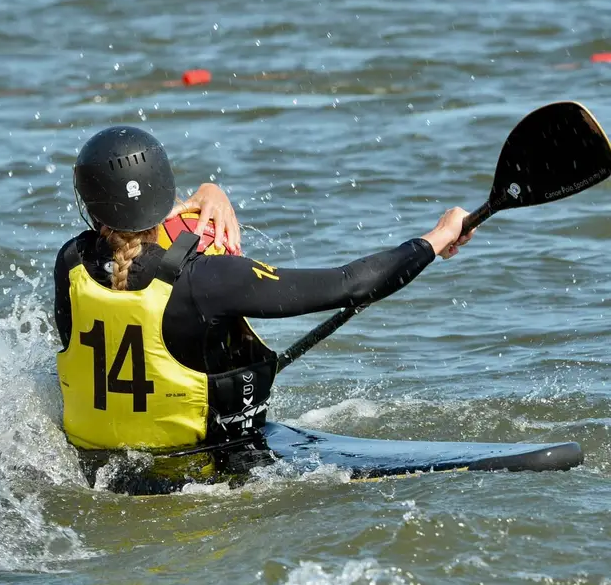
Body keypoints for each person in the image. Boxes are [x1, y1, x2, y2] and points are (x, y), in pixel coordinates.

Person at [53, 125, 473, 493]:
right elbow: (352, 283)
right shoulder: (208, 279)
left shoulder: (71, 263)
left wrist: (207, 194)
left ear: (90, 206)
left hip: (95, 470)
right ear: (164, 193)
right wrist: (437, 237)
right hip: (200, 476)